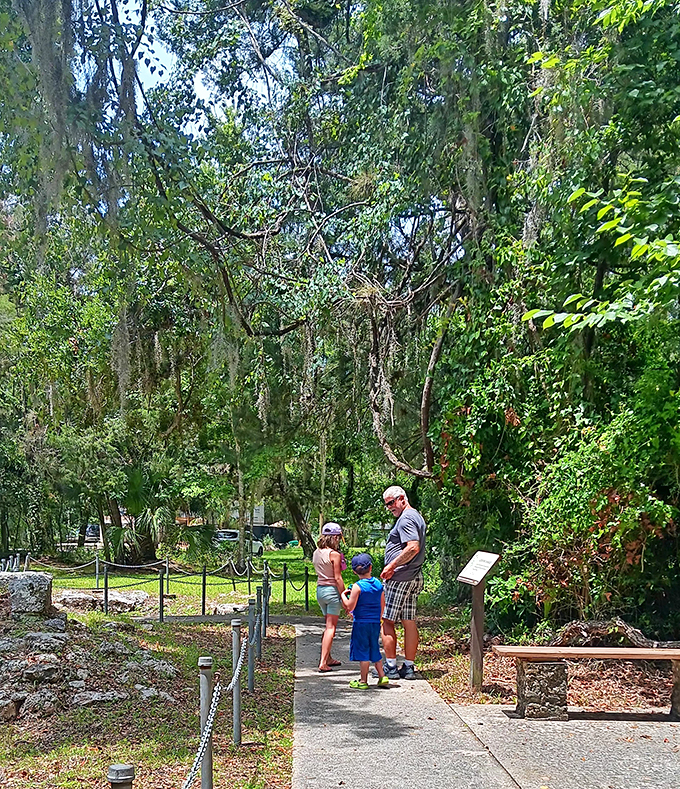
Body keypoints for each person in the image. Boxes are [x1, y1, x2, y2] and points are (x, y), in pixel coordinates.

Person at [380, 485, 426, 680]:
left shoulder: (406, 518)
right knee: (408, 621)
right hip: (412, 575)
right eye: (386, 504)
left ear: (402, 498)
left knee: (387, 621)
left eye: (391, 502)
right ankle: (409, 666)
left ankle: (390, 666)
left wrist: (391, 566)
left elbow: (413, 547)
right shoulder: (415, 516)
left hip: (400, 577)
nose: (389, 507)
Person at [342, 552, 389, 689]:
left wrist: (343, 596)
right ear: (371, 567)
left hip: (361, 623)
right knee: (374, 647)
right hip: (374, 622)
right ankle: (382, 676)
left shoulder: (357, 587)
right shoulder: (378, 584)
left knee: (363, 651)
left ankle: (363, 681)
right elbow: (382, 603)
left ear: (354, 571)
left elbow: (350, 605)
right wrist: (379, 618)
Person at [312, 522, 347, 672]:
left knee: (327, 625)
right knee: (331, 628)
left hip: (320, 591)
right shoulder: (334, 555)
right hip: (332, 591)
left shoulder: (316, 552)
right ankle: (322, 663)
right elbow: (338, 578)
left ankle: (328, 658)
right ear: (334, 538)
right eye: (338, 537)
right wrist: (345, 595)